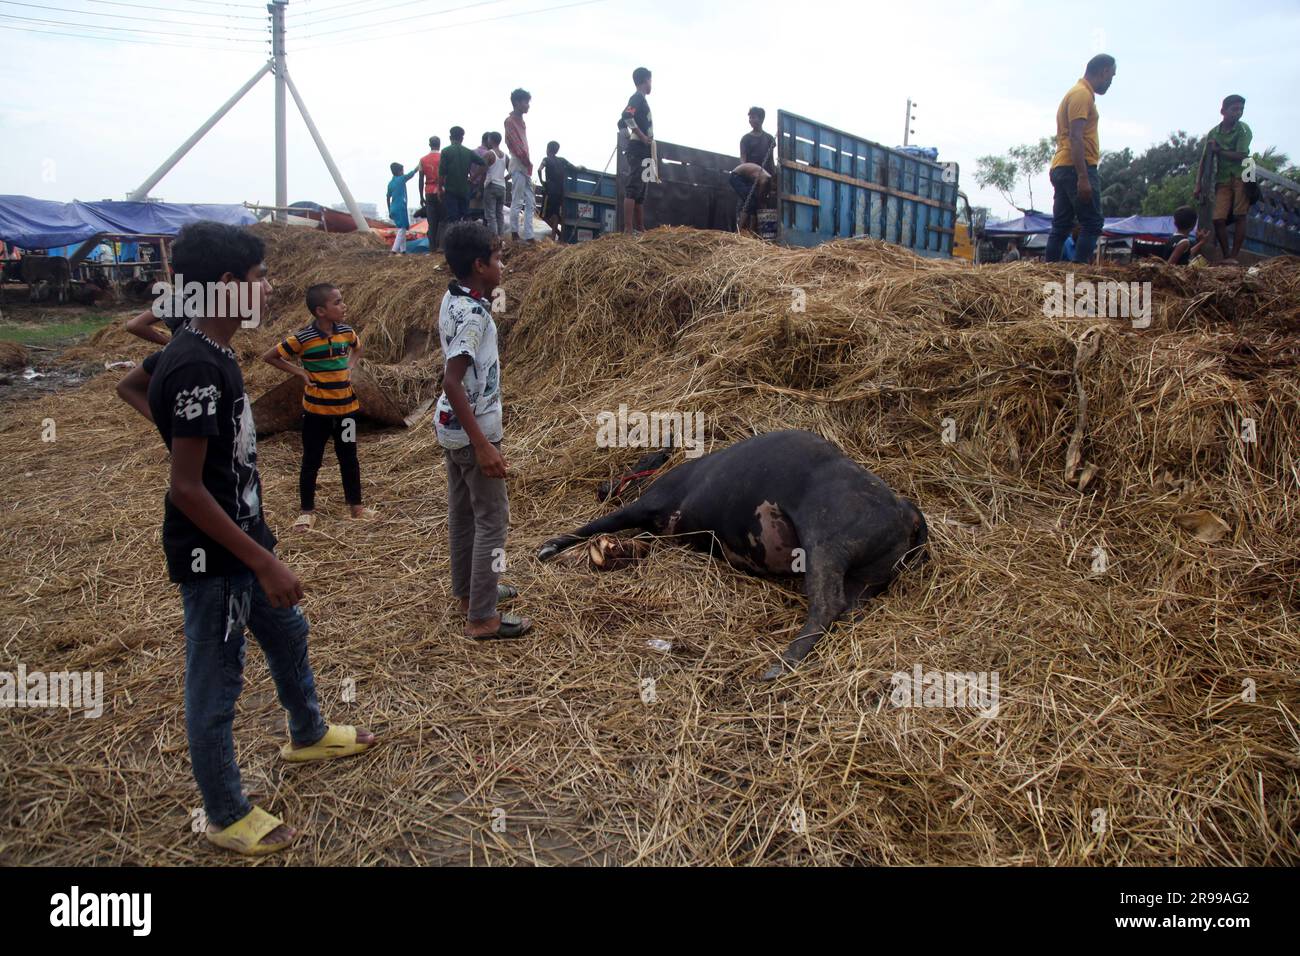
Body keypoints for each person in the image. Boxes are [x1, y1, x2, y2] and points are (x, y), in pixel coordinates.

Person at [113, 221, 375, 857]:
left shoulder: (207, 345)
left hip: (244, 533)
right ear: (229, 284)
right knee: (217, 680)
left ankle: (308, 732)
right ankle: (226, 813)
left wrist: (192, 443)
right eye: (260, 277)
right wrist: (264, 562)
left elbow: (134, 386)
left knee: (288, 634)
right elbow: (187, 489)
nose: (269, 288)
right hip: (218, 554)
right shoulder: (198, 361)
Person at [436, 222, 533, 642]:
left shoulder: (454, 297)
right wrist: (483, 446)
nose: (502, 265)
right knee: (493, 520)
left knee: (463, 515)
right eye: (497, 258)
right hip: (473, 431)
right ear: (479, 265)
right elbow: (452, 381)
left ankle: (470, 594)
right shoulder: (475, 315)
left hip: (450, 429)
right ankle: (483, 617)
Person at [261, 284, 376, 531]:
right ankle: (307, 511)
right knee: (311, 460)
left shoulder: (346, 332)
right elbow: (270, 356)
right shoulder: (303, 339)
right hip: (317, 413)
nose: (343, 306)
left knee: (349, 458)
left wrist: (350, 366)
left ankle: (356, 508)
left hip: (346, 411)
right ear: (321, 311)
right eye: (337, 302)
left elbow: (358, 348)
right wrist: (300, 372)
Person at [1045, 55, 1117, 264]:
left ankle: (1049, 272)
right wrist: (1083, 177)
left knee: (1061, 226)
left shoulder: (1076, 93)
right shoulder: (1082, 94)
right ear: (1104, 71)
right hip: (1076, 166)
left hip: (1062, 165)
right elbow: (1076, 136)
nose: (1111, 82)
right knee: (1092, 222)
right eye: (1112, 76)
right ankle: (1077, 272)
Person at [1195, 95, 1253, 265]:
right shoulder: (1214, 133)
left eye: (1241, 109)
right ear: (1223, 111)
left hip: (1243, 174)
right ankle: (1227, 255)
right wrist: (1198, 184)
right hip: (1223, 178)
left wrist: (1219, 151)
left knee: (1240, 215)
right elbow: (1205, 158)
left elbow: (1241, 155)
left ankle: (1234, 255)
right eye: (1234, 109)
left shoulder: (1244, 130)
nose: (1238, 112)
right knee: (1218, 218)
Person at [621, 67, 654, 235]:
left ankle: (640, 227)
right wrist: (640, 136)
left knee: (641, 189)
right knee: (634, 186)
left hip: (645, 150)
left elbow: (621, 123)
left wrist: (628, 135)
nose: (651, 84)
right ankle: (628, 229)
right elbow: (626, 116)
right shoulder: (637, 98)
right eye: (650, 80)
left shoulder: (642, 100)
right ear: (645, 80)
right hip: (638, 148)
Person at [440, 127, 493, 227]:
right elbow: (484, 163)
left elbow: (441, 173)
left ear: (450, 137)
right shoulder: (468, 152)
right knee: (464, 217)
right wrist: (473, 178)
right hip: (464, 190)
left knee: (453, 218)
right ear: (462, 138)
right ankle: (464, 234)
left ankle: (454, 234)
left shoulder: (445, 151)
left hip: (450, 190)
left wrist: (439, 188)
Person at [504, 89, 535, 242]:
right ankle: (515, 233)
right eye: (525, 102)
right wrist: (527, 161)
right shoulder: (510, 121)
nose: (528, 105)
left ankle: (529, 234)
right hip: (518, 162)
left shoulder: (521, 122)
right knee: (517, 200)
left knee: (530, 201)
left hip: (524, 164)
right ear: (517, 102)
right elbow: (516, 146)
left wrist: (527, 162)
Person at [539, 141, 576, 241]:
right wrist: (580, 168)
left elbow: (539, 169)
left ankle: (558, 233)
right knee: (555, 214)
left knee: (543, 216)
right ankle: (553, 237)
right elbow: (573, 167)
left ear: (547, 149)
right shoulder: (562, 160)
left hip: (549, 191)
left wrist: (542, 181)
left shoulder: (546, 159)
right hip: (560, 191)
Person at [729, 163, 774, 234]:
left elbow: (762, 196)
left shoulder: (766, 178)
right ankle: (739, 230)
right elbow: (759, 196)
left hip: (745, 179)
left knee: (753, 203)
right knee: (750, 201)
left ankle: (751, 231)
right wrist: (761, 205)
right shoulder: (765, 179)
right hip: (736, 176)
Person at [418, 136, 444, 253]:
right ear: (439, 144)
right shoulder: (443, 157)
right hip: (441, 191)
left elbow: (420, 179)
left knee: (432, 222)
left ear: (429, 145)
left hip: (428, 192)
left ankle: (432, 247)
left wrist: (421, 196)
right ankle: (441, 246)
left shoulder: (423, 160)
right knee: (442, 220)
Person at [387, 162, 418, 254]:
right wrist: (418, 167)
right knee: (402, 229)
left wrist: (389, 210)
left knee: (402, 229)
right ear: (399, 172)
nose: (403, 172)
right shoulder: (401, 179)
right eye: (402, 171)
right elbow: (410, 174)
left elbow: (388, 197)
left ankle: (403, 250)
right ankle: (394, 250)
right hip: (400, 207)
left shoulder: (390, 183)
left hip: (393, 208)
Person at [483, 132, 508, 239]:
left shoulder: (489, 154)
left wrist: (473, 179)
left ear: (491, 140)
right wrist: (504, 179)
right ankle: (501, 239)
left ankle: (494, 240)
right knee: (499, 214)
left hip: (491, 186)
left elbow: (482, 170)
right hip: (502, 188)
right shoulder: (505, 156)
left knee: (491, 216)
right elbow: (511, 172)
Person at [469, 132, 494, 223]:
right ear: (488, 140)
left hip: (472, 186)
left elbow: (467, 169)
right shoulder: (491, 155)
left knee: (471, 215)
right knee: (486, 217)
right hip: (485, 187)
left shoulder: (472, 152)